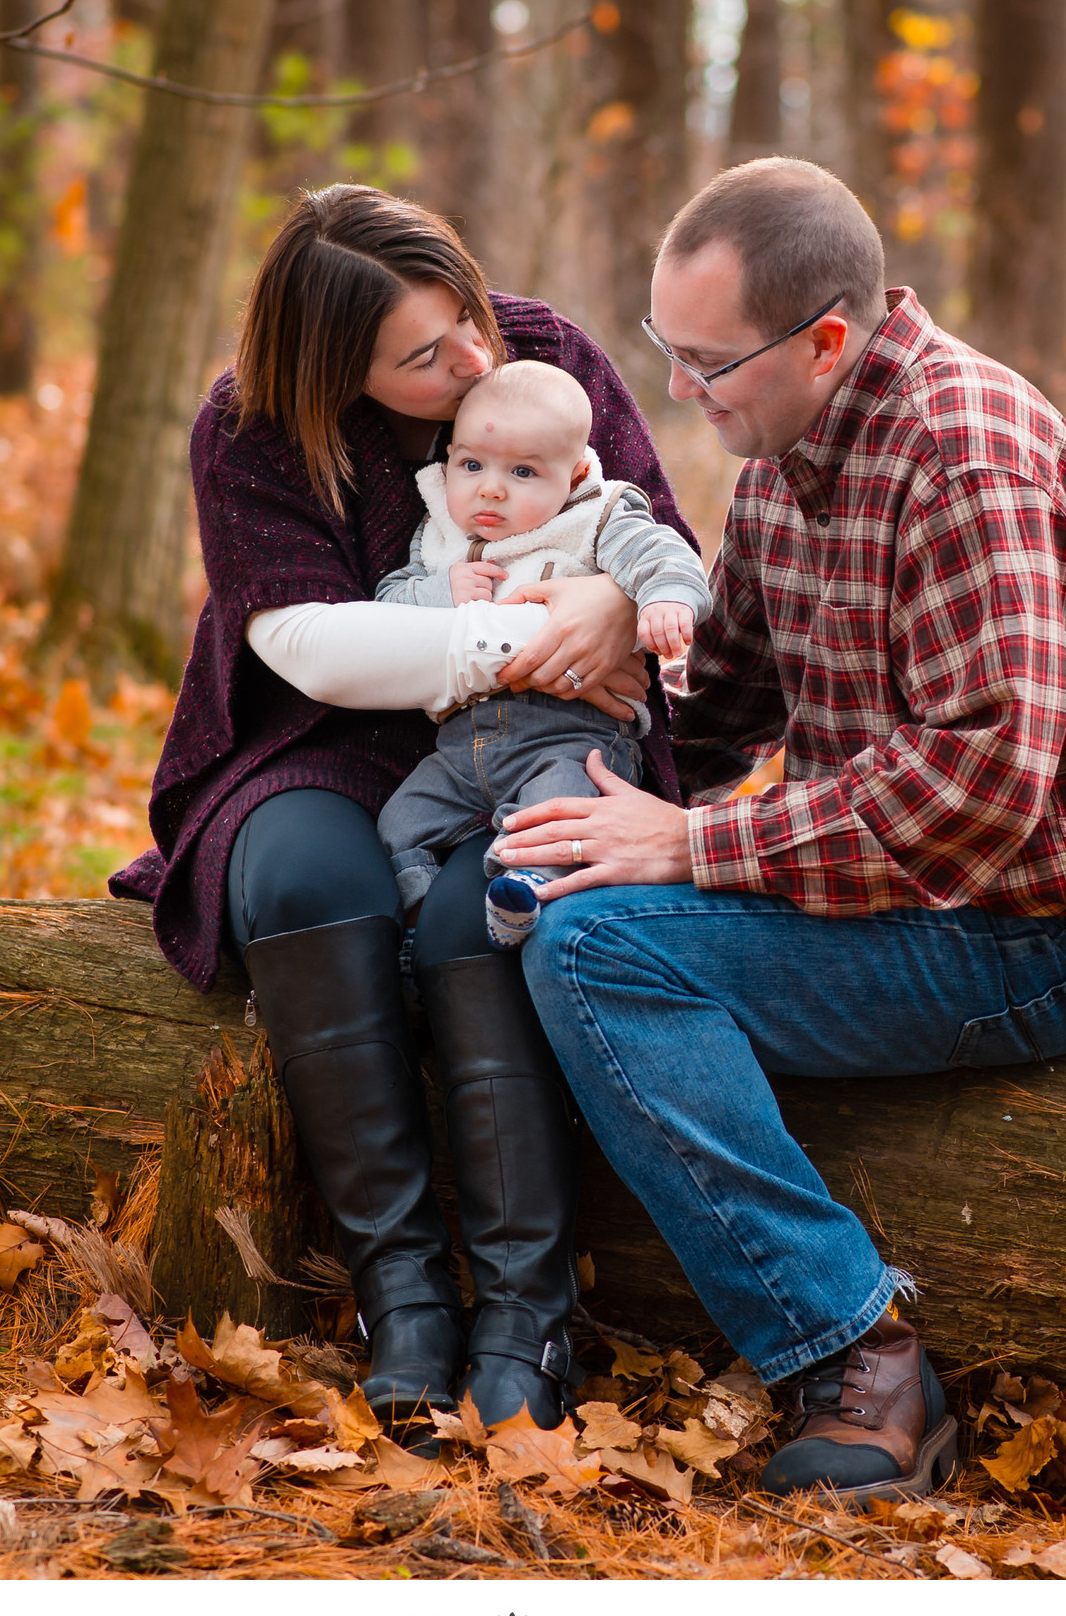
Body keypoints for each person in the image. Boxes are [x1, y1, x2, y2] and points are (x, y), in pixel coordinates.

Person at [492, 157, 1066, 1501]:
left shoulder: (966, 455)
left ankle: (856, 1355)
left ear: (825, 340)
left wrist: (689, 847)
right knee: (550, 899)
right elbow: (712, 711)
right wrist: (558, 730)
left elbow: (980, 791)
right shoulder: (786, 459)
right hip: (891, 896)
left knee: (599, 956)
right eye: (672, 350)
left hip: (1028, 930)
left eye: (710, 364)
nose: (683, 394)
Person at [110, 185, 698, 1440]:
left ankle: (526, 1312)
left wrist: (605, 613)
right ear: (336, 367)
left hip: (546, 733)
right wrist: (516, 631)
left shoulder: (546, 356)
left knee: (478, 925)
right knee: (318, 883)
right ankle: (404, 1293)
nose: (474, 361)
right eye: (425, 357)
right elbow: (311, 643)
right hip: (323, 738)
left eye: (466, 320)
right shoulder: (250, 428)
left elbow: (656, 544)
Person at [372, 359, 711, 949]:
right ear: (449, 457)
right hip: (459, 748)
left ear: (575, 472)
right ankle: (416, 914)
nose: (491, 487)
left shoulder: (595, 518)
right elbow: (386, 604)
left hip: (568, 737)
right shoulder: (440, 537)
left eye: (524, 471)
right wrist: (437, 591)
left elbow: (668, 557)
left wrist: (663, 602)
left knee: (556, 818)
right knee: (397, 824)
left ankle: (524, 893)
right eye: (471, 465)